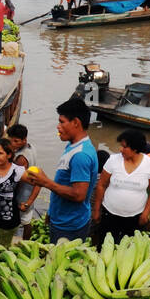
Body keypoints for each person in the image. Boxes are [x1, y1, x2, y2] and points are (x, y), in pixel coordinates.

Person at [22, 98, 97, 242]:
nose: (58, 126)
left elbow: (79, 194)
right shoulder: (72, 145)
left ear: (76, 122)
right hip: (61, 219)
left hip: (70, 225)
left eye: (62, 122)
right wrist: (51, 212)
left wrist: (46, 182)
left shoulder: (81, 155)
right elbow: (65, 181)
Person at [93, 129, 150, 243]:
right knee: (105, 245)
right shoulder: (113, 160)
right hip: (109, 213)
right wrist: (96, 209)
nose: (121, 150)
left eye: (124, 147)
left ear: (135, 149)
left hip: (135, 217)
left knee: (127, 247)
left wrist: (146, 213)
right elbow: (101, 185)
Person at [0, 138, 25, 247]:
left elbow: (38, 182)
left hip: (8, 215)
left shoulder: (17, 171)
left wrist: (28, 201)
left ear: (9, 155)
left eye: (0, 153)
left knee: (4, 247)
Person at [7, 123, 39, 239]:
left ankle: (24, 242)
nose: (12, 144)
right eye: (10, 141)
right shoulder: (31, 147)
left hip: (23, 193)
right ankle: (26, 241)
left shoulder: (21, 158)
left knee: (24, 221)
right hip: (29, 191)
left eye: (16, 141)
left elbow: (17, 180)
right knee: (27, 221)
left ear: (24, 140)